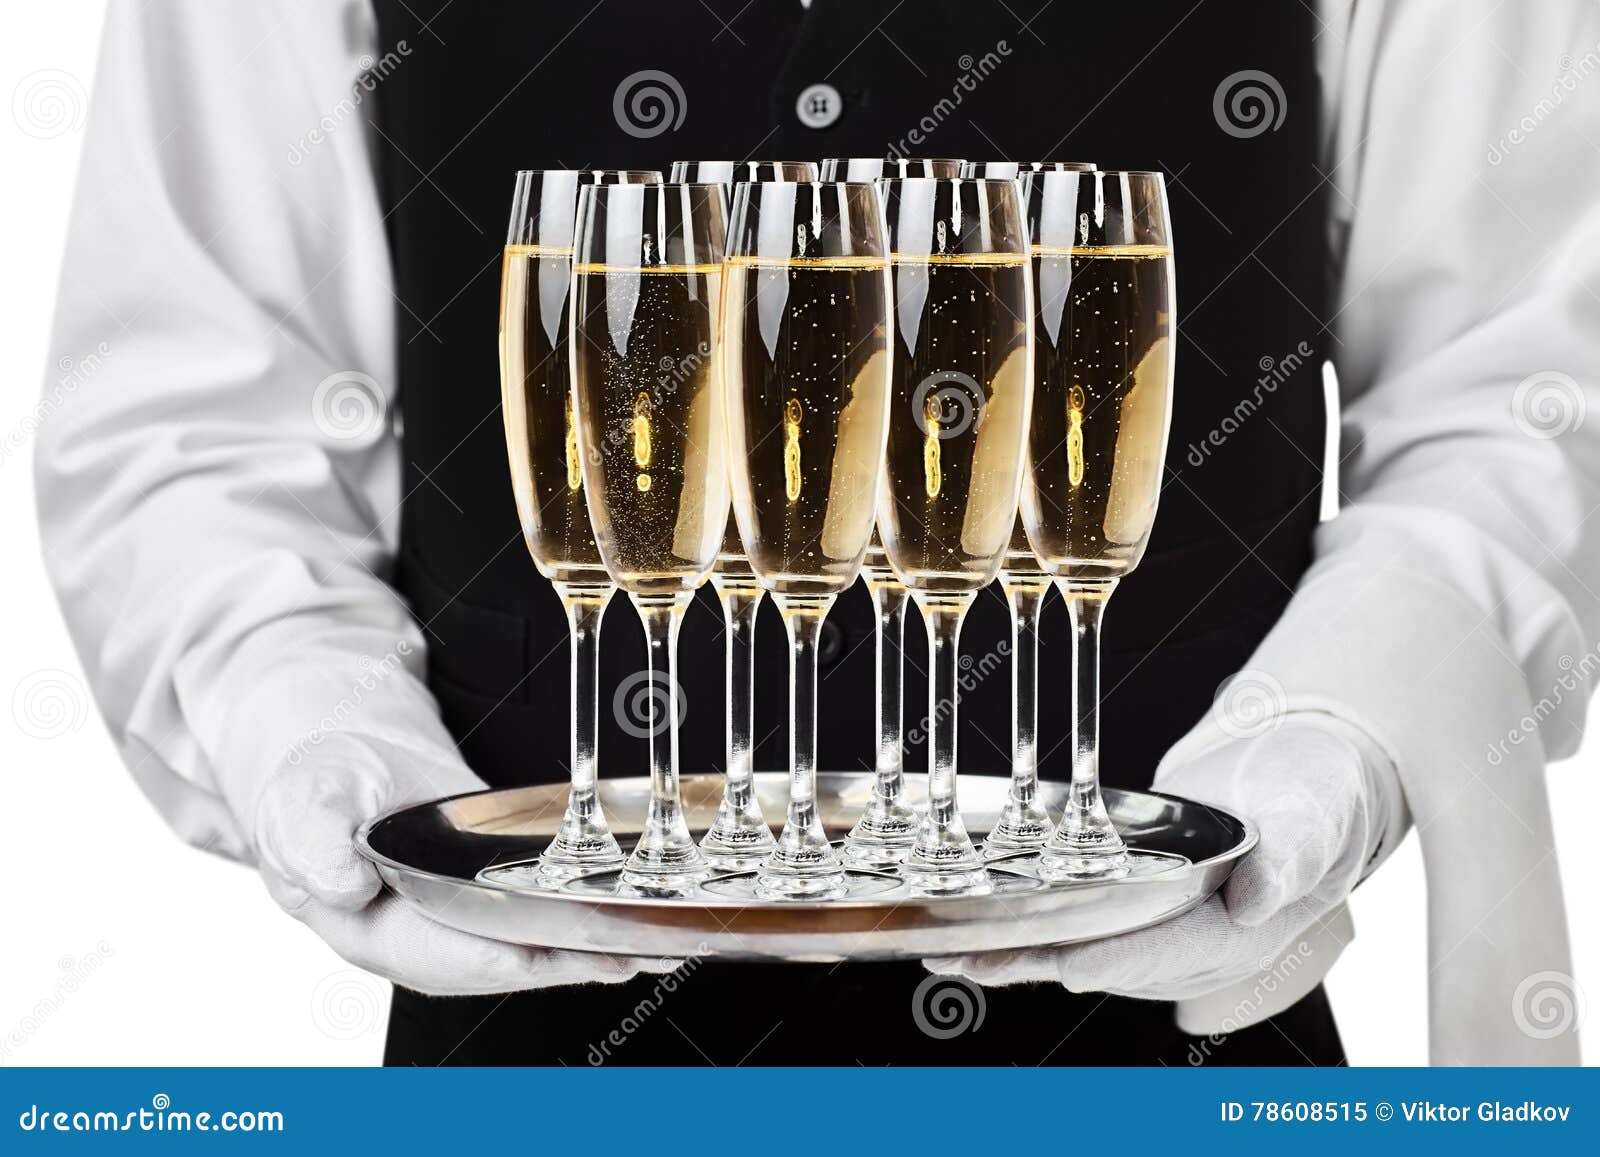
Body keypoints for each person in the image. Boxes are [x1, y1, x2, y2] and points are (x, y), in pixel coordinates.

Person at [38, 0, 1594, 1065]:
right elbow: (197, 423)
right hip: (527, 1058)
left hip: (1189, 1038)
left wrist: (1329, 743)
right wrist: (308, 720)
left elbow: (1516, 385)